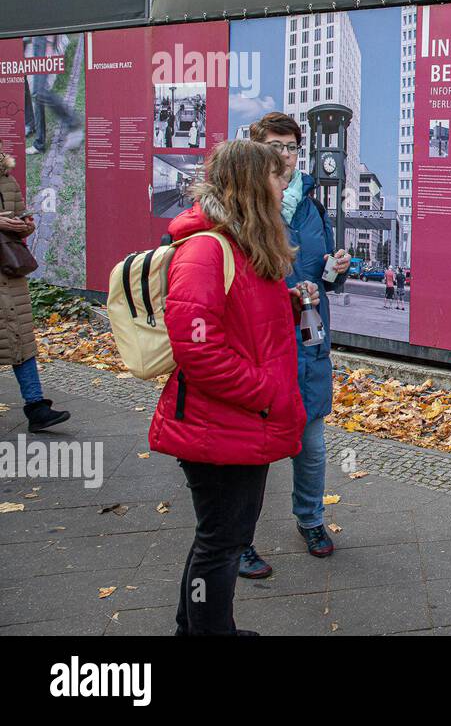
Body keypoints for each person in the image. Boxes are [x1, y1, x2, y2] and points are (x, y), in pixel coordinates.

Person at [148, 140, 307, 635]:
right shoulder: (205, 249)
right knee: (221, 544)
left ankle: (193, 628)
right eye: (278, 178)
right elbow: (198, 351)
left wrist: (293, 307)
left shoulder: (242, 244)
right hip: (220, 426)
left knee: (219, 540)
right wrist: (265, 393)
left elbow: (240, 324)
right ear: (252, 186)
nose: (285, 187)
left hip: (239, 425)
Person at [238, 112, 351, 578]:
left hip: (309, 341)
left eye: (291, 147)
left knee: (312, 444)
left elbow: (325, 276)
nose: (285, 156)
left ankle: (310, 520)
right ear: (256, 149)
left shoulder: (311, 206)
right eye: (276, 146)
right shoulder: (242, 205)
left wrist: (335, 268)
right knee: (251, 450)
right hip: (260, 346)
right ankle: (237, 539)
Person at [0, 141, 70, 433]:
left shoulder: (7, 180)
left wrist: (25, 225)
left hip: (9, 271)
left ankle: (36, 407)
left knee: (19, 340)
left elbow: (21, 222)